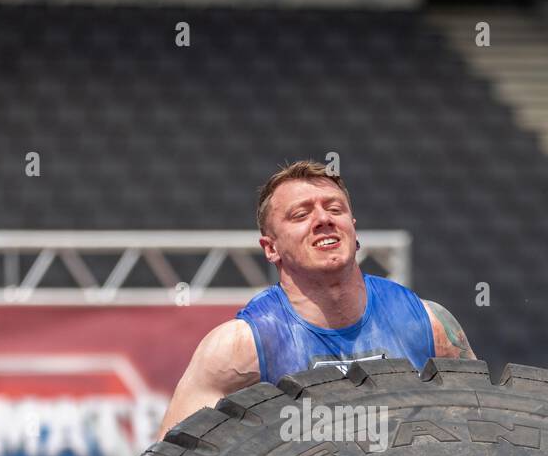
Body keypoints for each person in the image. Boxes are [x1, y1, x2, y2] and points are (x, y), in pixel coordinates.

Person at [155, 160, 476, 438]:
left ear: (354, 230)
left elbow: (483, 426)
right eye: (300, 214)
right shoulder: (236, 349)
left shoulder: (428, 323)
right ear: (271, 248)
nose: (323, 219)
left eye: (335, 209)